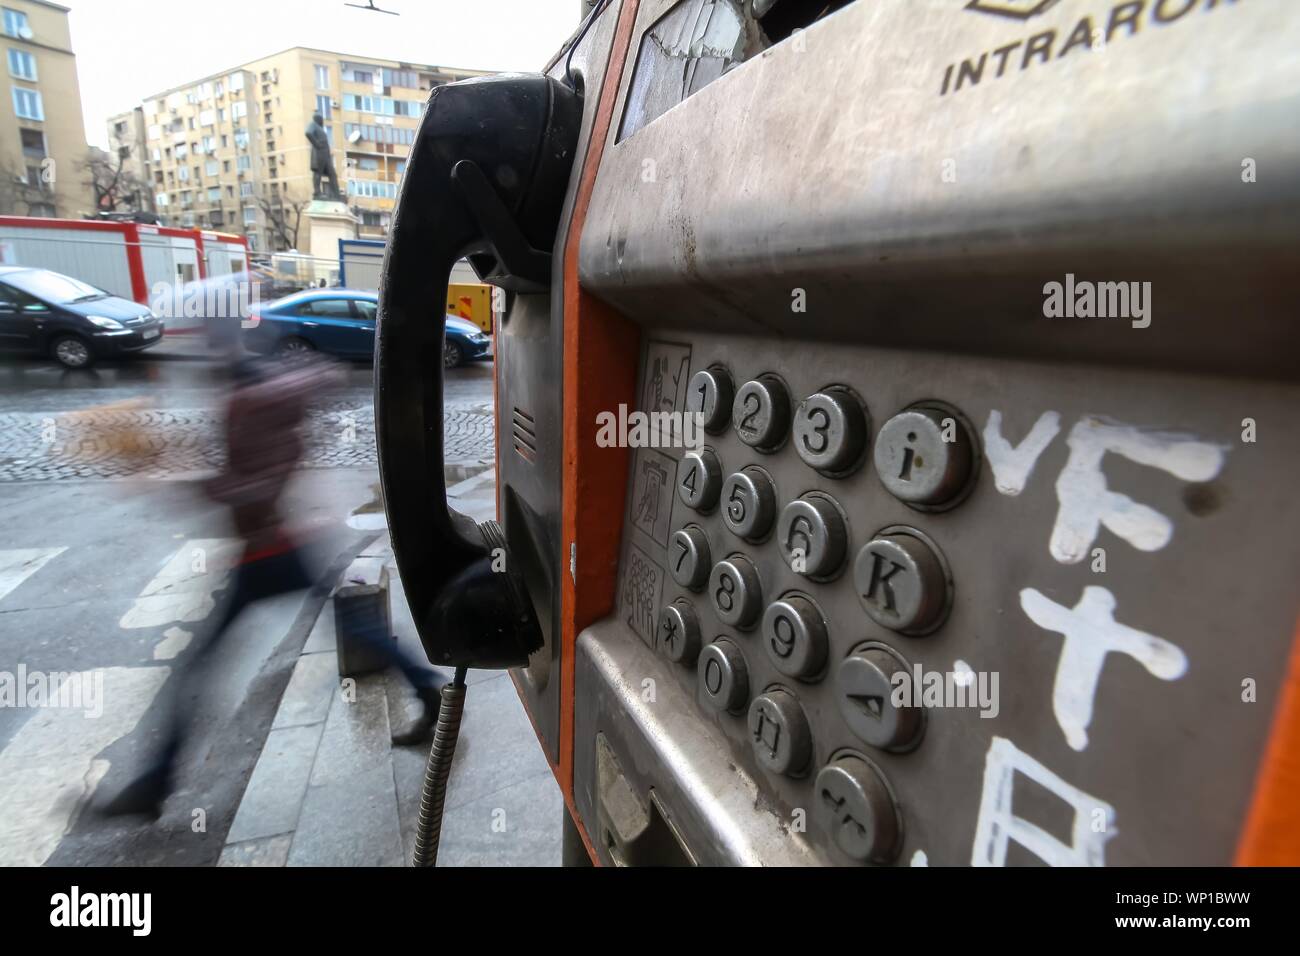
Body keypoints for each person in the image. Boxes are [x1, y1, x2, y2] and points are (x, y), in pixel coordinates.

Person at [101, 355, 446, 820]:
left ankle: (153, 786)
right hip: (284, 546)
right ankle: (427, 687)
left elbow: (250, 488)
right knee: (357, 629)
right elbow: (319, 383)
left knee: (197, 669)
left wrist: (179, 480)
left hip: (268, 554)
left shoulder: (244, 407)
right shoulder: (274, 405)